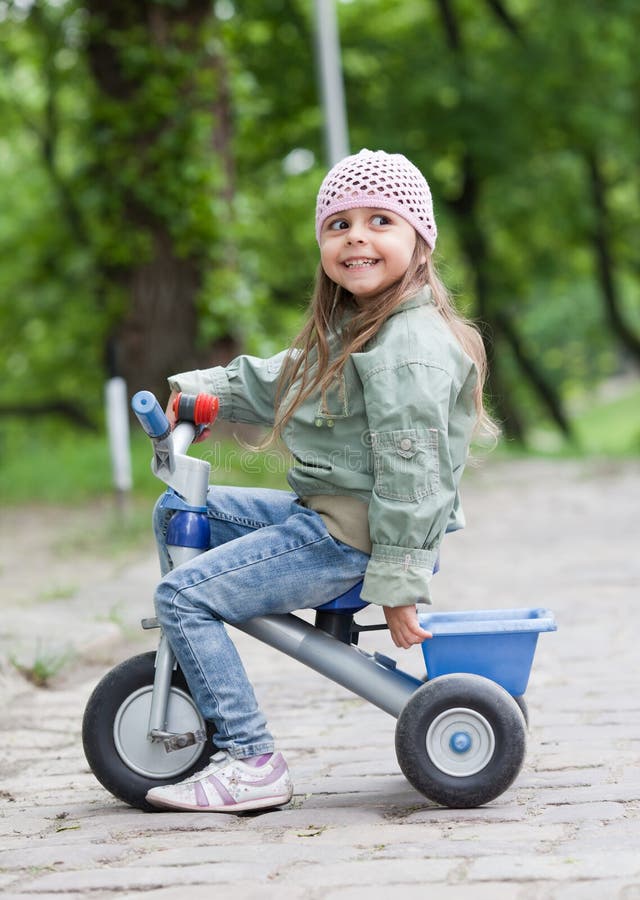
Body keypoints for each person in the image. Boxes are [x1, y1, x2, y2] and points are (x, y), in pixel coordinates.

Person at [145, 149, 493, 813]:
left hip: (355, 538)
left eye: (380, 221)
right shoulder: (353, 331)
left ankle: (251, 759)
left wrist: (397, 586)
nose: (357, 235)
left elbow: (412, 479)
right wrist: (197, 392)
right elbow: (282, 377)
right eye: (339, 225)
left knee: (183, 597)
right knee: (176, 512)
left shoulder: (407, 350)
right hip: (325, 517)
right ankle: (203, 667)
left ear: (419, 243)